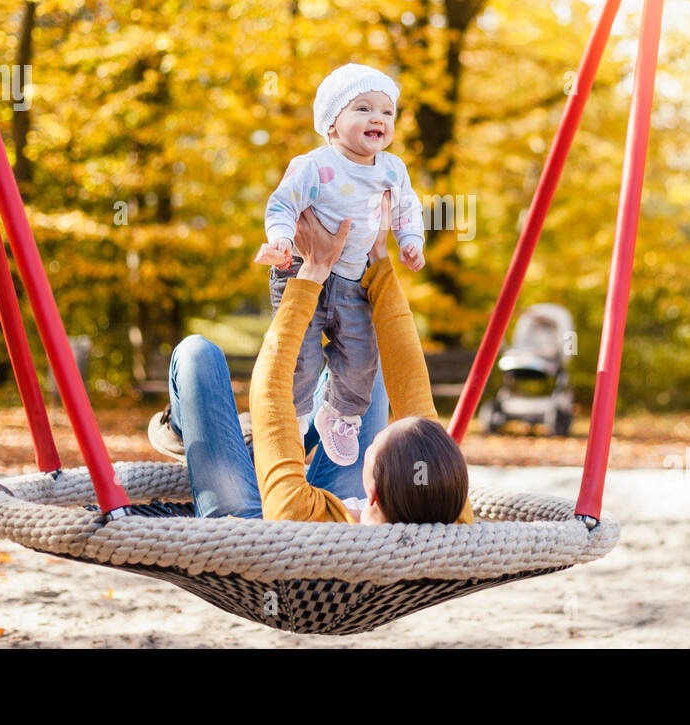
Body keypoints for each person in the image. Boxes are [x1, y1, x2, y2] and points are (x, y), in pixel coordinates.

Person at [155, 193, 471, 525]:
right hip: (348, 508)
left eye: (374, 445)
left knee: (195, 354)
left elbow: (272, 396)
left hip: (247, 526)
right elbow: (414, 394)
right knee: (366, 372)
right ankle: (247, 446)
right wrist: (378, 259)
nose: (373, 435)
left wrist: (312, 273)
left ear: (374, 492)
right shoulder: (448, 509)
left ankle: (194, 430)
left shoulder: (295, 511)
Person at [255, 63, 426, 467]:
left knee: (363, 358)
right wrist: (279, 237)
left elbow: (407, 210)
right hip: (301, 273)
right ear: (332, 124)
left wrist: (411, 241)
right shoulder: (314, 166)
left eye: (387, 112)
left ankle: (341, 415)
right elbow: (282, 204)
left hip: (352, 281)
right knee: (302, 358)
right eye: (363, 109)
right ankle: (293, 419)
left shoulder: (391, 169)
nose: (378, 119)